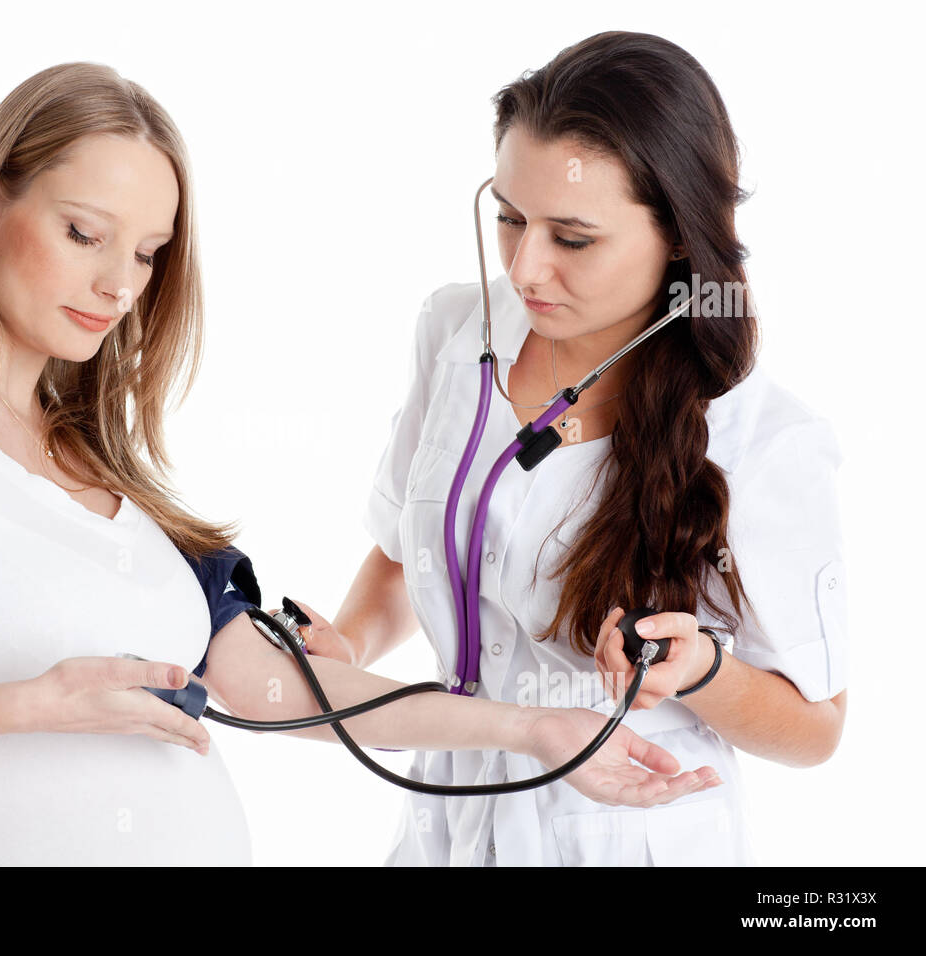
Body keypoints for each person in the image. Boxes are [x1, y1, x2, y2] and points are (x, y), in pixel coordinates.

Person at [0, 61, 717, 867]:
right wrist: (19, 703)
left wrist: (537, 731)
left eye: (146, 253)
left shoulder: (112, 479)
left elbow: (282, 692)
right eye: (83, 231)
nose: (116, 283)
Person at [294, 31, 850, 866]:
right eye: (510, 218)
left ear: (680, 238)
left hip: (629, 831)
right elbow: (410, 550)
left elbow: (816, 729)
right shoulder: (457, 333)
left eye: (573, 238)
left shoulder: (762, 440)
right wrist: (349, 643)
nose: (525, 267)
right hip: (451, 816)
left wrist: (699, 672)